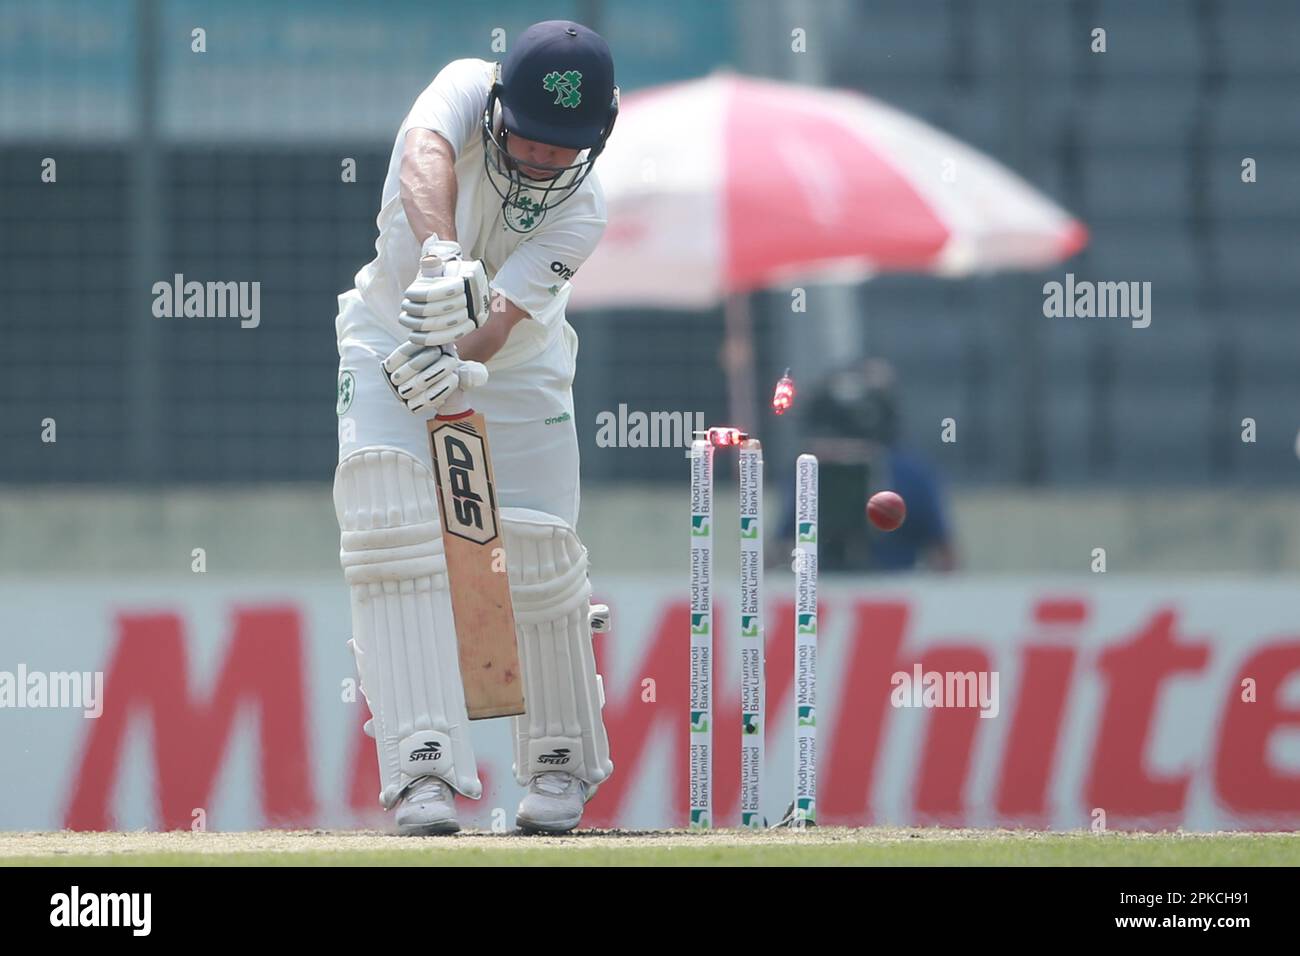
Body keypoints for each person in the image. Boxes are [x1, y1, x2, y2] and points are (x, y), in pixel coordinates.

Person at [331, 21, 618, 835]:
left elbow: (497, 321)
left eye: (562, 151)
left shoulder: (583, 214)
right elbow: (424, 152)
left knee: (534, 551)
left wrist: (460, 354)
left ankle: (558, 762)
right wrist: (440, 257)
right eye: (527, 139)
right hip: (390, 330)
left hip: (516, 364)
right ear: (497, 107)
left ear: (596, 141)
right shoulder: (461, 85)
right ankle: (421, 770)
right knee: (387, 521)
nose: (538, 163)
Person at [780, 358, 956, 572]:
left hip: (896, 588)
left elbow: (944, 555)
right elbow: (782, 546)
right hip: (820, 588)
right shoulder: (808, 471)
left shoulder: (910, 473)